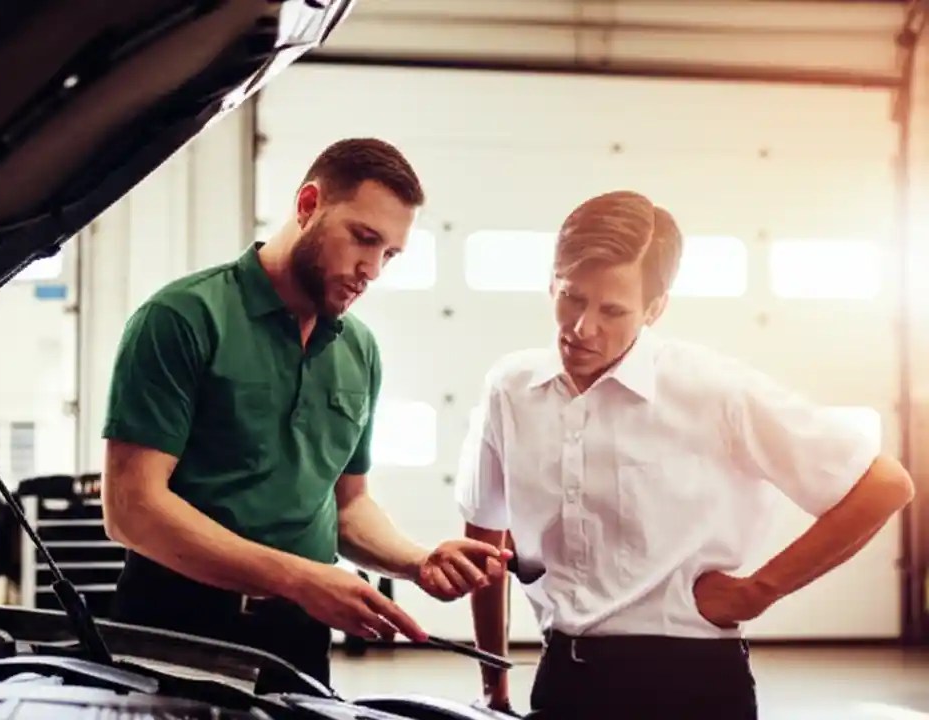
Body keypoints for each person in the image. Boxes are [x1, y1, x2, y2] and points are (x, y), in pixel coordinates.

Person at [455, 190, 915, 719]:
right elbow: (484, 541)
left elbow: (884, 484)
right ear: (550, 283)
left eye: (612, 310)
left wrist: (755, 593)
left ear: (655, 309)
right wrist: (493, 686)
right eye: (571, 297)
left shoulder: (714, 390)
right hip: (564, 679)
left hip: (693, 684)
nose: (583, 328)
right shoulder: (510, 389)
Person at [99, 137, 509, 685]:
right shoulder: (181, 319)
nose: (372, 270)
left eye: (389, 254)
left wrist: (416, 561)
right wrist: (298, 577)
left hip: (297, 635)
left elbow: (347, 507)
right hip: (173, 626)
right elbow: (131, 508)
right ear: (308, 204)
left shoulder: (358, 350)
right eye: (363, 239)